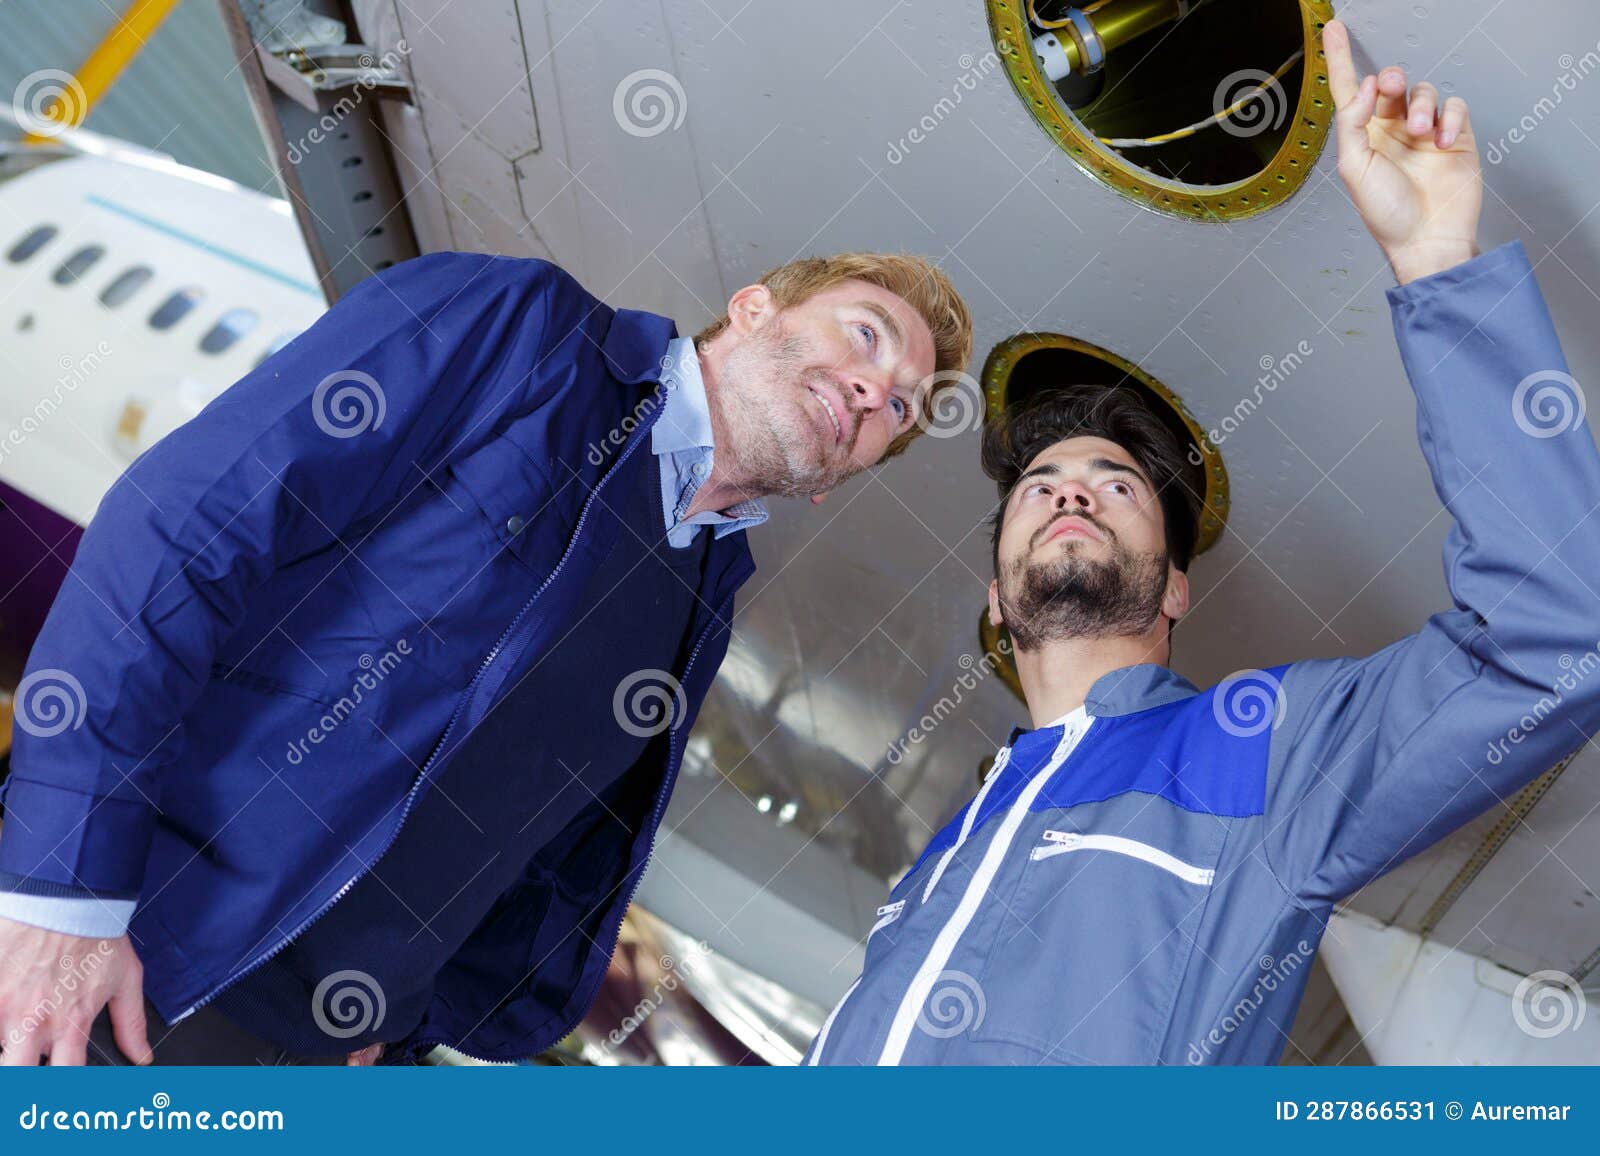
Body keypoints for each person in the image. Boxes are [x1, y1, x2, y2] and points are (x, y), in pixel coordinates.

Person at [805, 19, 1600, 1065]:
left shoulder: (1260, 751)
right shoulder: (955, 841)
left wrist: (1436, 265)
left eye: (1115, 482)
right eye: (1038, 483)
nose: (1069, 493)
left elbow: (1548, 638)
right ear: (994, 599)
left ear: (1176, 588)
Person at [0, 243, 971, 1064]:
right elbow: (190, 525)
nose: (873, 388)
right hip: (113, 925)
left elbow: (543, 849)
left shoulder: (699, 601)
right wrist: (64, 884)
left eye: (897, 409)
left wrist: (400, 1018)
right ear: (754, 308)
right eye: (866, 336)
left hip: (288, 1046)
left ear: (833, 480)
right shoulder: (526, 330)